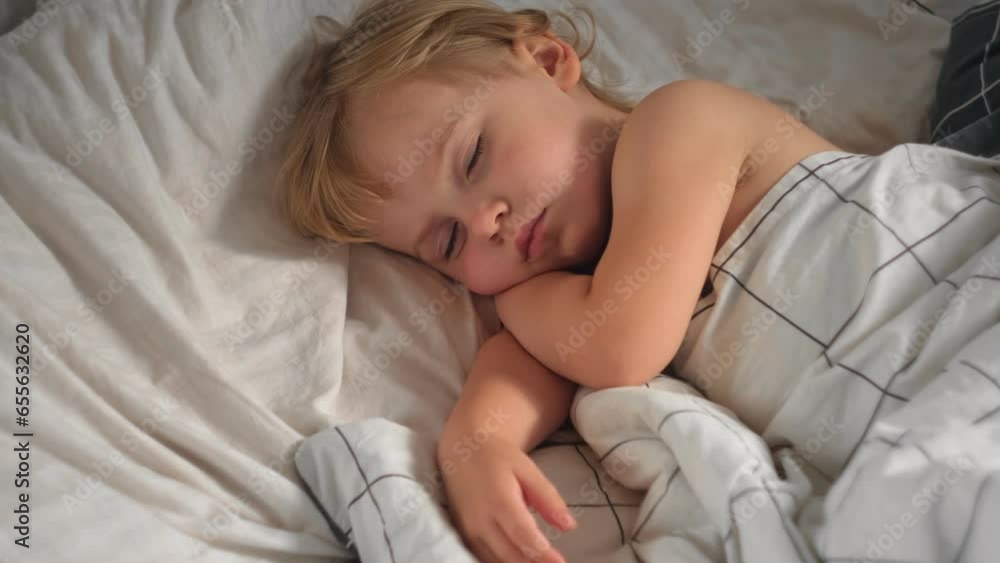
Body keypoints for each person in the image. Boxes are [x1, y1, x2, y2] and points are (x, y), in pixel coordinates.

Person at [277, 1, 997, 561]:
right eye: (447, 239)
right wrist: (479, 446)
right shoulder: (573, 291)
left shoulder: (677, 121)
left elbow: (620, 344)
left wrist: (515, 294)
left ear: (550, 58)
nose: (487, 218)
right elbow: (522, 364)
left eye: (472, 158)